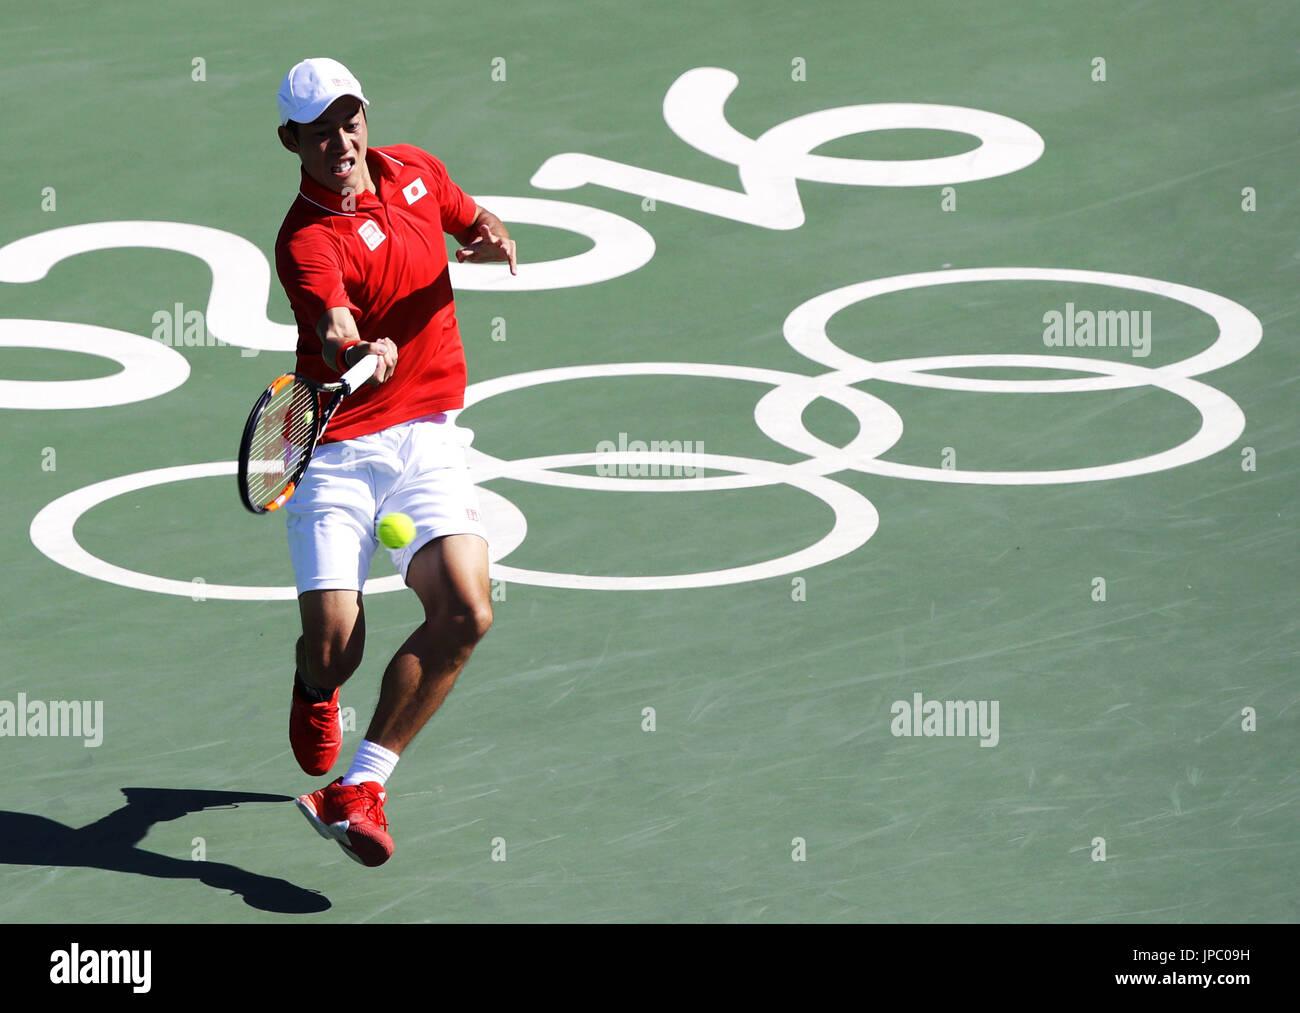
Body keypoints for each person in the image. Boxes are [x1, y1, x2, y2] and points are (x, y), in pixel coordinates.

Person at [272, 57, 516, 867]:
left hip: (429, 436)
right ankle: (317, 685)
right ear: (292, 142)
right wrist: (357, 344)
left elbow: (464, 214)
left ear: (366, 119)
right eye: (319, 131)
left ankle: (362, 783)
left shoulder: (415, 170)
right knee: (336, 643)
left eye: (350, 121)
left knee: (467, 613)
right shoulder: (306, 238)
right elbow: (335, 320)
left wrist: (486, 231)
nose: (340, 141)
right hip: (338, 445)